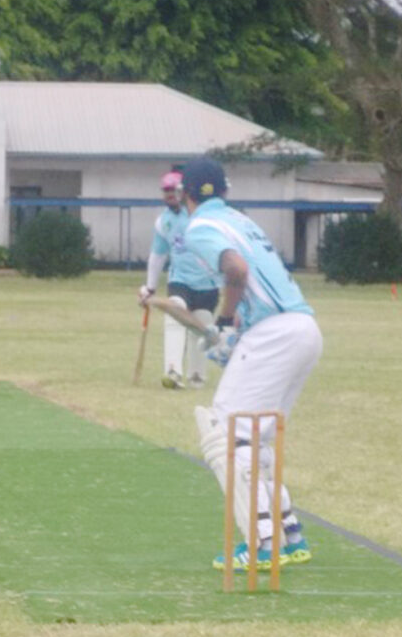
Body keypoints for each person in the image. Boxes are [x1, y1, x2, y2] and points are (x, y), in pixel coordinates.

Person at [177, 156, 323, 572]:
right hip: (303, 327)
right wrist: (237, 331)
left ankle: (262, 542)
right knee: (255, 440)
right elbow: (254, 280)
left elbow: (236, 271)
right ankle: (289, 533)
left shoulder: (201, 227)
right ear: (224, 191)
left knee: (226, 435)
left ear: (186, 195)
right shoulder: (243, 221)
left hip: (275, 334)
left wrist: (223, 323)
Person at [138, 169, 220, 389]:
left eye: (173, 190)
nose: (169, 195)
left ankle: (197, 376)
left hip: (208, 281)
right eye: (165, 191)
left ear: (183, 192)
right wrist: (150, 287)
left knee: (201, 323)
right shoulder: (163, 221)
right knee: (175, 312)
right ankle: (172, 371)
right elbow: (158, 256)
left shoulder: (199, 214)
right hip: (180, 279)